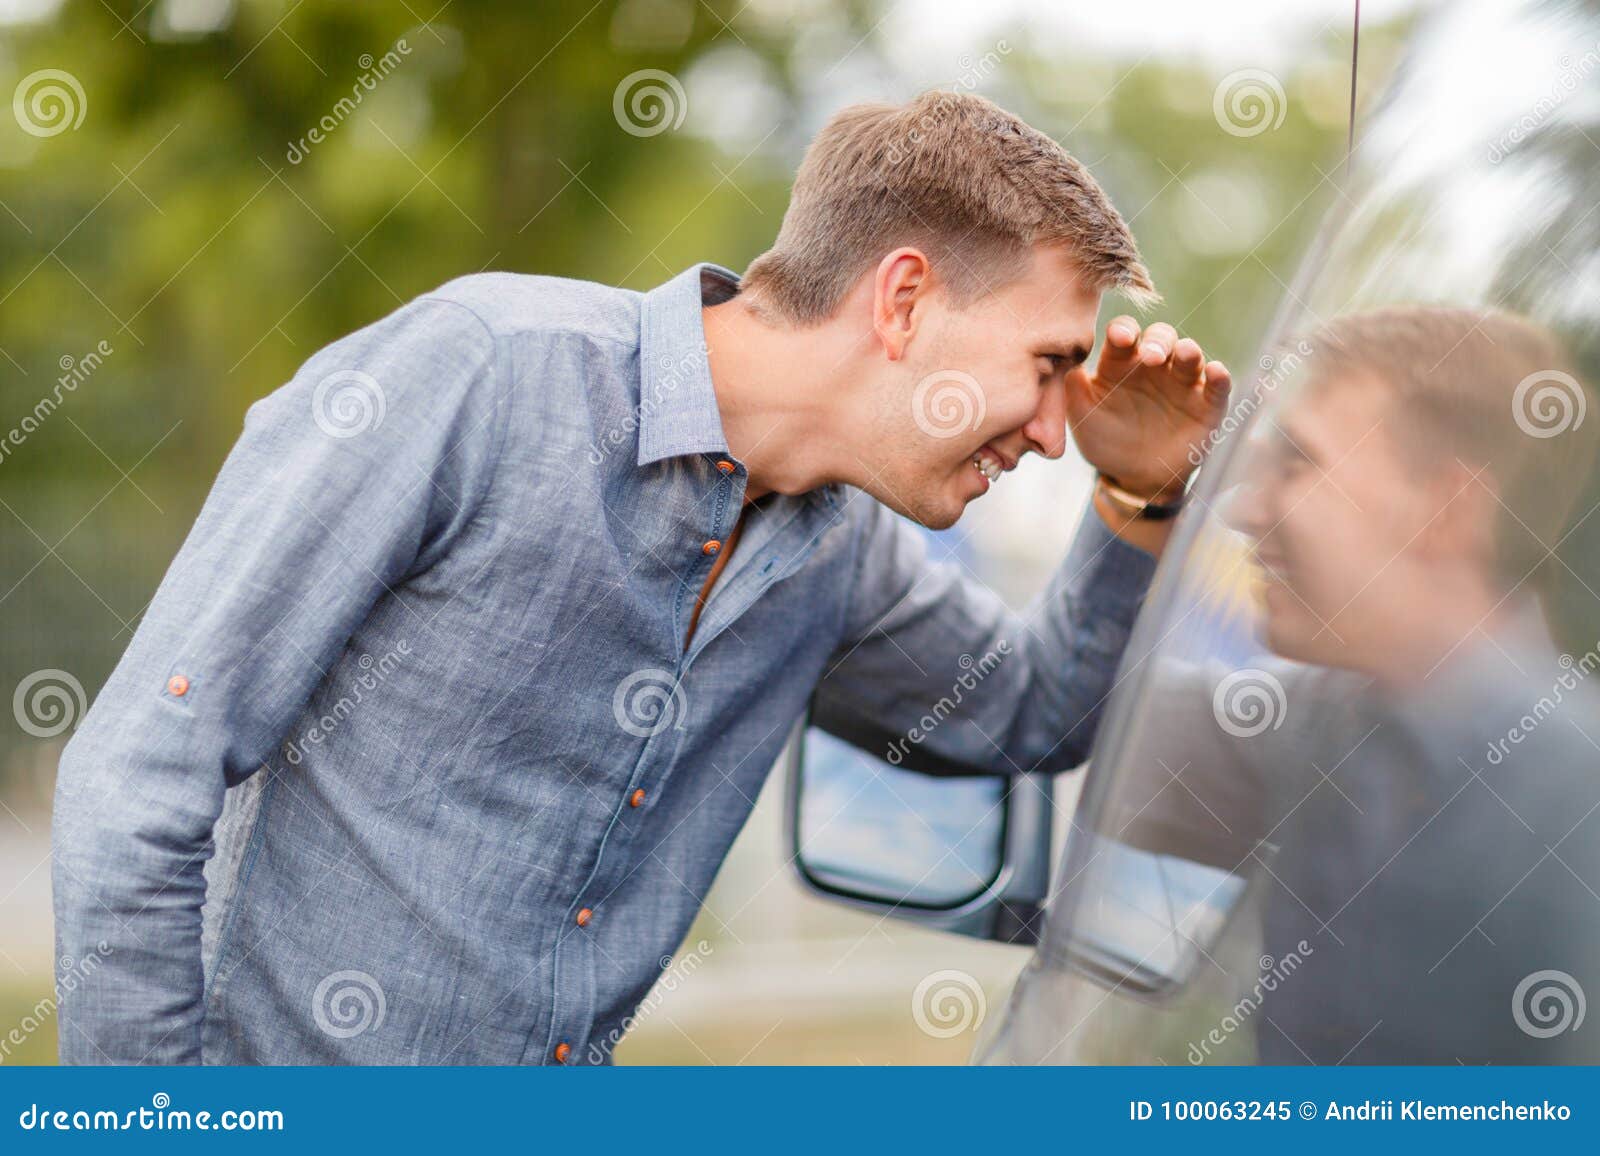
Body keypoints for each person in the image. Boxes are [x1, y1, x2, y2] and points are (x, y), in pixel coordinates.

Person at [51, 91, 1232, 1064]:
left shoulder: (839, 549)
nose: (1052, 432)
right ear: (903, 299)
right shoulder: (479, 377)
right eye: (1046, 365)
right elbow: (141, 773)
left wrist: (1142, 494)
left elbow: (1028, 713)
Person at [1043, 307, 1600, 1064]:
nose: (1243, 509)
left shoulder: (1572, 808)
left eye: (1297, 463)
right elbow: (1056, 715)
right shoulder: (1324, 725)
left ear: (1447, 508)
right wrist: (1139, 492)